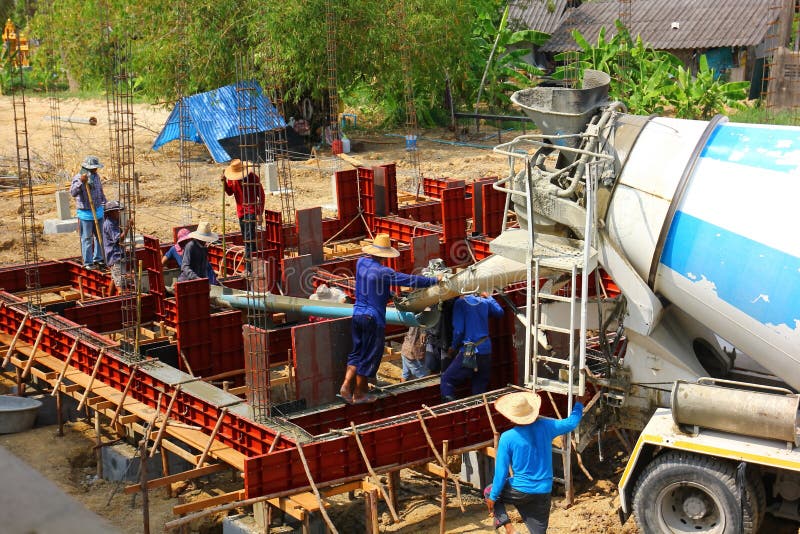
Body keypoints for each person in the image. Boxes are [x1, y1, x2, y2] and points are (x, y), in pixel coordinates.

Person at [339, 233, 440, 404]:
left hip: (357, 315)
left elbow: (370, 285)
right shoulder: (384, 272)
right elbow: (409, 280)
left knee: (357, 352)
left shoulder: (361, 263)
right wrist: (433, 280)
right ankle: (359, 393)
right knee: (369, 355)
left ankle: (345, 386)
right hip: (372, 318)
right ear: (385, 255)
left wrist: (387, 293)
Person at [485, 392, 584, 534]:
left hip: (519, 490)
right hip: (544, 491)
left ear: (510, 417)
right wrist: (579, 403)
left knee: (489, 491)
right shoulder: (546, 426)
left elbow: (501, 474)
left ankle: (509, 529)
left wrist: (493, 498)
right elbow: (571, 423)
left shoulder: (507, 438)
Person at [440, 291, 504, 401]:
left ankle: (453, 412)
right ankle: (479, 409)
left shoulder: (460, 303)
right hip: (486, 349)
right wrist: (489, 297)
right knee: (479, 387)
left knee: (447, 380)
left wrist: (453, 347)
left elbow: (459, 331)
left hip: (470, 349)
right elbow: (500, 312)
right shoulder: (484, 301)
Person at [221, 159, 265, 274]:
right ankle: (256, 263)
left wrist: (259, 213)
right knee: (248, 239)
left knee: (248, 240)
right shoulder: (233, 180)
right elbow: (230, 192)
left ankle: (249, 268)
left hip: (251, 211)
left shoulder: (252, 177)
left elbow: (261, 194)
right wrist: (224, 183)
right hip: (241, 212)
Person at [69, 155, 107, 269]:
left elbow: (100, 192)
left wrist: (105, 204)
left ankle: (99, 258)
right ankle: (88, 262)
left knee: (99, 236)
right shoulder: (78, 177)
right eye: (94, 168)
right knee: (87, 238)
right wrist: (81, 182)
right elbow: (73, 193)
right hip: (86, 214)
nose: (96, 170)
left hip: (98, 212)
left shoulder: (96, 177)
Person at [101, 201, 131, 290]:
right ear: (110, 213)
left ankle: (108, 297)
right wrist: (127, 228)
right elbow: (118, 240)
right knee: (120, 285)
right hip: (115, 256)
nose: (118, 212)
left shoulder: (114, 222)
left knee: (115, 279)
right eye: (115, 211)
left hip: (116, 255)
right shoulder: (110, 224)